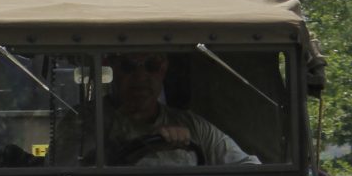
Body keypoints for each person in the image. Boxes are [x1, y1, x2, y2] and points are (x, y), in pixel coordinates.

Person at [105, 52, 258, 166]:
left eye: (152, 66)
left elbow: (249, 168)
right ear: (114, 69)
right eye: (128, 66)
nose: (140, 77)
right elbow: (86, 170)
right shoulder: (92, 125)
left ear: (163, 70)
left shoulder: (194, 127)